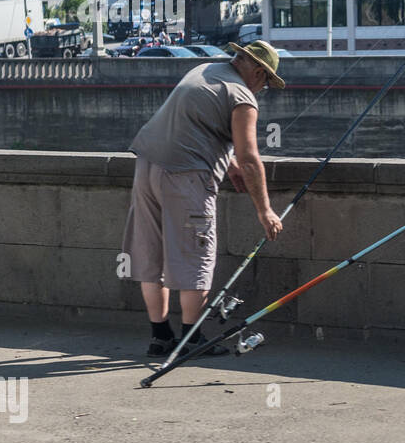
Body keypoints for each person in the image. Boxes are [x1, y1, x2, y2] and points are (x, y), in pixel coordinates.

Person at [121, 40, 286, 358]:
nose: (264, 88)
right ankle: (190, 340)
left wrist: (230, 165)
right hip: (187, 177)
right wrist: (265, 211)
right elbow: (250, 156)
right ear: (256, 70)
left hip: (147, 166)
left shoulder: (203, 70)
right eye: (266, 80)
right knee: (196, 259)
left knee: (151, 257)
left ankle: (160, 337)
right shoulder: (242, 97)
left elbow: (195, 125)